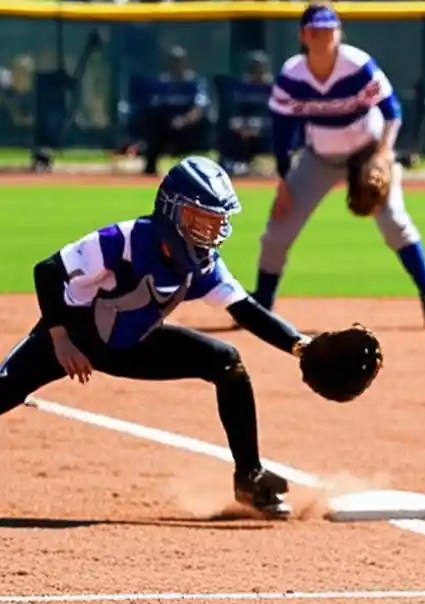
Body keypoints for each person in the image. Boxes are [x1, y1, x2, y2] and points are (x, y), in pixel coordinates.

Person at [0, 157, 309, 519]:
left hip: (134, 346)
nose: (209, 233)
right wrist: (60, 338)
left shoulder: (204, 265)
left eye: (216, 223)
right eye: (200, 220)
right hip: (72, 335)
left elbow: (246, 310)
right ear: (171, 211)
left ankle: (250, 477)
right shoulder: (124, 240)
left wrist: (300, 345)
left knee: (226, 362)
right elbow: (49, 271)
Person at [257, 3, 425, 329]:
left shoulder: (357, 65)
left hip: (366, 153)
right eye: (316, 31)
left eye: (329, 31)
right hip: (319, 158)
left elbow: (392, 112)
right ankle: (261, 306)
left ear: (338, 33)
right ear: (304, 35)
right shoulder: (292, 75)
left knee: (394, 222)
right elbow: (282, 131)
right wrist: (285, 182)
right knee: (278, 228)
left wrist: (382, 156)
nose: (323, 38)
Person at [142, 46, 213, 176]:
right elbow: (154, 108)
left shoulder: (195, 82)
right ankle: (149, 172)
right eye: (174, 62)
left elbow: (199, 108)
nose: (177, 66)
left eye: (179, 62)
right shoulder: (162, 83)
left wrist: (184, 120)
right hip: (167, 127)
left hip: (190, 128)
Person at [219, 50, 276, 177]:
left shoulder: (274, 89)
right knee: (230, 136)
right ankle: (232, 164)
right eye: (254, 69)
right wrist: (242, 127)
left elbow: (277, 115)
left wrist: (259, 127)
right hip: (243, 133)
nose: (257, 73)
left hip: (266, 133)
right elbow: (233, 115)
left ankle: (269, 165)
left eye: (259, 69)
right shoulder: (240, 89)